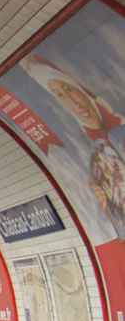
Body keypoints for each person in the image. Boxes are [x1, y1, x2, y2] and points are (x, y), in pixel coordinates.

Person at [21, 53, 125, 237]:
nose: (74, 104)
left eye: (69, 90)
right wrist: (107, 208)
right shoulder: (95, 162)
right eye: (60, 95)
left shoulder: (119, 128)